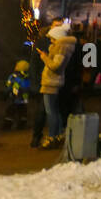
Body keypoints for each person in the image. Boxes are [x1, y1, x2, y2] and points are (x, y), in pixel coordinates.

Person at [36, 20, 76, 149]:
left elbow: (56, 66)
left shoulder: (61, 47)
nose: (51, 41)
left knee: (51, 112)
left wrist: (44, 57)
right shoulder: (62, 47)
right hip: (53, 82)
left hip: (51, 82)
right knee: (54, 110)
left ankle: (53, 136)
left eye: (53, 39)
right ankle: (58, 134)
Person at [1, 59, 31, 131]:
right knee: (22, 111)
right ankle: (21, 125)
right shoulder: (27, 77)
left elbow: (9, 85)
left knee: (10, 111)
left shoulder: (13, 76)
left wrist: (6, 93)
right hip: (24, 98)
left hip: (13, 97)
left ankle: (7, 126)